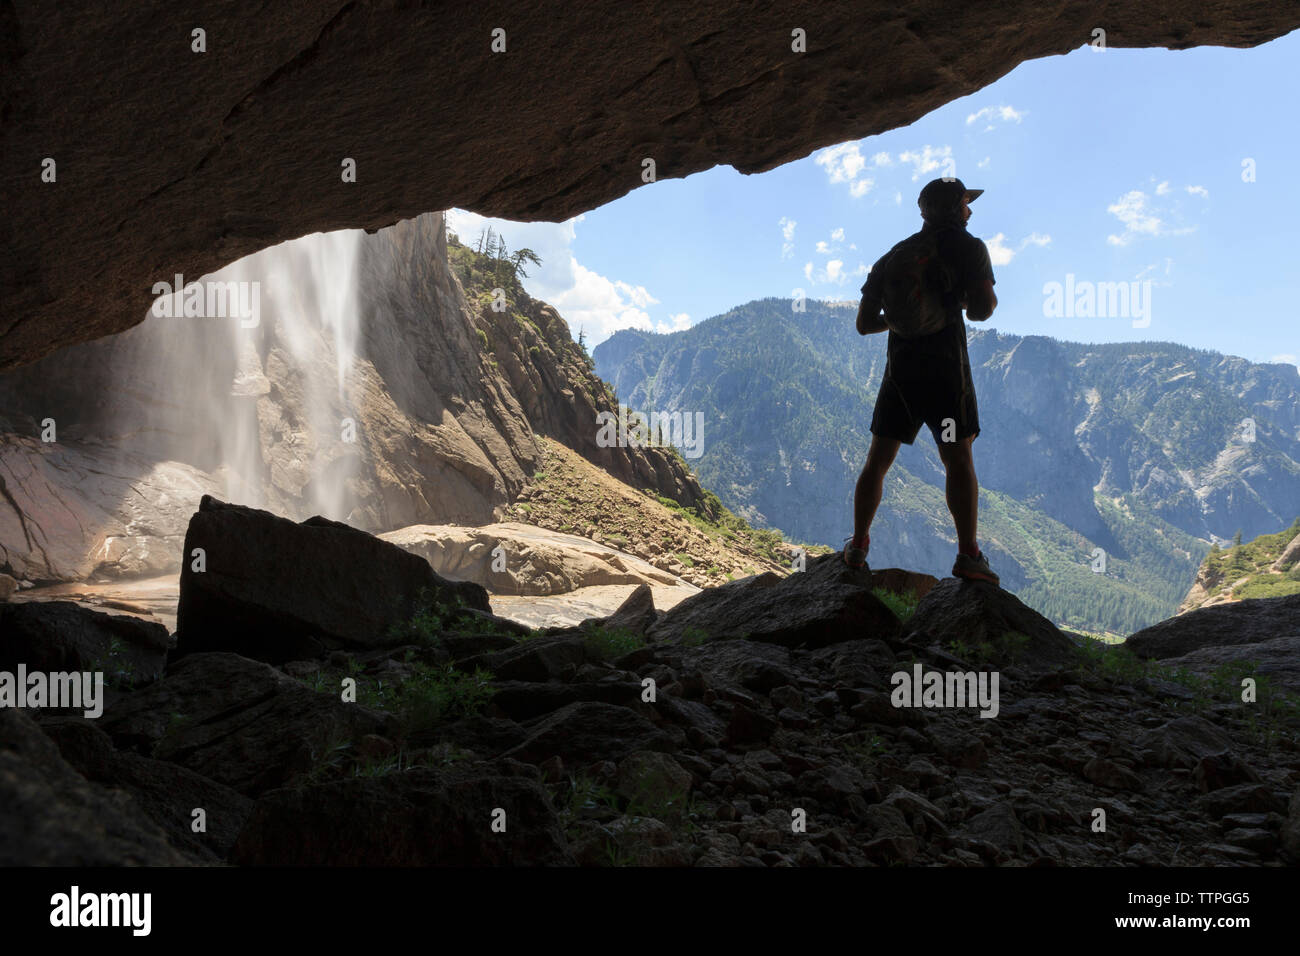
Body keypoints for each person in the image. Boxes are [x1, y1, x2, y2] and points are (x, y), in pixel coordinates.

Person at [845, 177, 1000, 585]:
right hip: (945, 374)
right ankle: (968, 554)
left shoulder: (893, 256)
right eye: (967, 203)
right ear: (956, 208)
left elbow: (864, 325)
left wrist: (898, 320)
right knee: (957, 458)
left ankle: (858, 546)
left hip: (901, 376)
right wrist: (960, 301)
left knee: (877, 461)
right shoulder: (970, 248)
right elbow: (982, 311)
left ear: (924, 211)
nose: (971, 210)